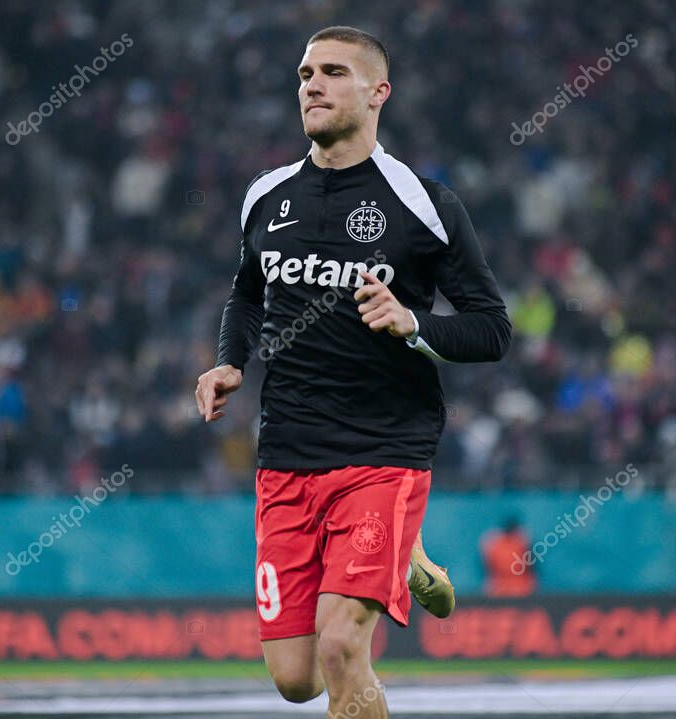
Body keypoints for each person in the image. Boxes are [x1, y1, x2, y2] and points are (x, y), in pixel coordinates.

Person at [195, 26, 511, 717]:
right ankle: (410, 558)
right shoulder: (267, 197)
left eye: (333, 72)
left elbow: (493, 330)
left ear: (378, 92)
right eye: (306, 73)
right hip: (285, 458)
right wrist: (228, 363)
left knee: (342, 648)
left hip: (382, 452)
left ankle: (395, 543)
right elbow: (247, 292)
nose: (312, 84)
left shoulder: (425, 204)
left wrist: (414, 325)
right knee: (297, 679)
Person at [481, 516, 537, 597]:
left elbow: (531, 567)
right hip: (499, 587)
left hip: (521, 586)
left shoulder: (523, 543)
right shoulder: (494, 545)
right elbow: (487, 569)